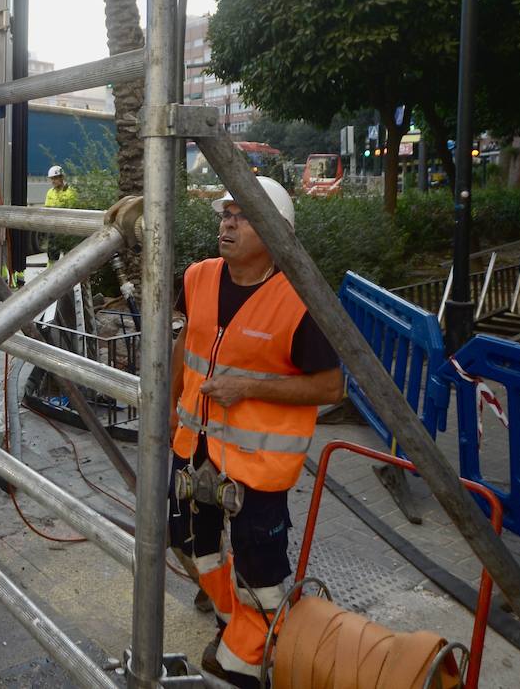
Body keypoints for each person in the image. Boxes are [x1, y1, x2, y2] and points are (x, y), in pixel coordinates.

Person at [168, 176, 345, 687]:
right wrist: (168, 406)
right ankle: (236, 627)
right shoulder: (198, 277)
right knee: (193, 546)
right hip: (193, 447)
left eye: (243, 216)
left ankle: (249, 660)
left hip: (258, 463)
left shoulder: (300, 300)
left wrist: (248, 387)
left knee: (260, 571)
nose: (228, 224)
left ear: (277, 232)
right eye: (226, 214)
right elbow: (188, 341)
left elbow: (331, 386)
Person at [43, 165, 78, 261]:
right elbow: (47, 210)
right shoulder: (50, 192)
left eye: (55, 178)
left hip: (66, 229)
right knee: (52, 255)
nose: (53, 181)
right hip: (53, 228)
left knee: (68, 255)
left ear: (61, 177)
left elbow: (73, 212)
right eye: (51, 179)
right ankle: (51, 269)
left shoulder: (70, 192)